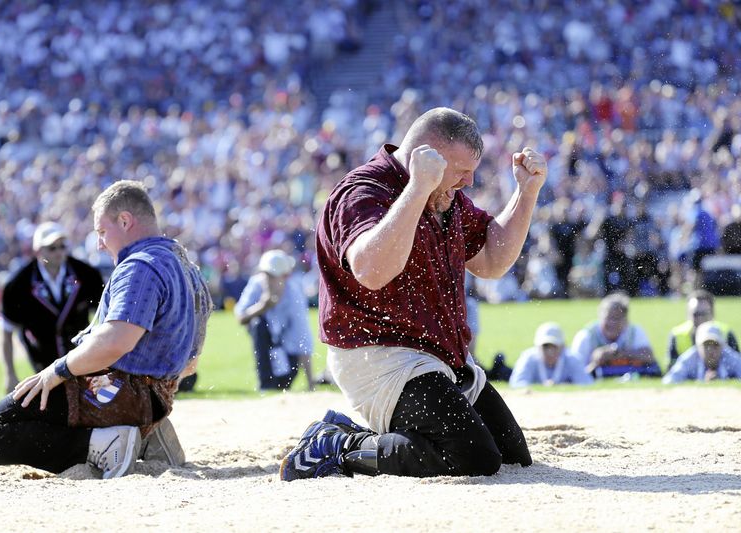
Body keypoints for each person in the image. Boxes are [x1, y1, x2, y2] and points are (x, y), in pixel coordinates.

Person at [280, 107, 537, 481]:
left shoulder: (444, 197)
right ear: (427, 156)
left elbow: (492, 262)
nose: (468, 182)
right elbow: (371, 270)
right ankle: (336, 445)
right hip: (378, 356)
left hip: (436, 355)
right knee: (473, 457)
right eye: (461, 171)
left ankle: (360, 438)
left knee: (513, 455)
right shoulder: (363, 191)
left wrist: (526, 192)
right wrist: (417, 188)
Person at [0, 180, 212, 479]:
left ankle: (110, 442)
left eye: (102, 232)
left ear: (125, 220)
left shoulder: (141, 266)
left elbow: (115, 342)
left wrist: (56, 371)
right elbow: (192, 360)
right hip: (160, 396)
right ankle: (147, 435)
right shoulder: (186, 264)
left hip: (123, 392)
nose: (99, 244)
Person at [0, 222, 105, 393]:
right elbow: (6, 330)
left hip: (81, 357)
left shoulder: (87, 274)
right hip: (41, 359)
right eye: (52, 248)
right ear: (38, 250)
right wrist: (9, 373)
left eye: (62, 246)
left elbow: (105, 315)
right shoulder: (18, 284)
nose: (58, 252)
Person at [234, 249, 315, 391]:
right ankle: (264, 383)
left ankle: (276, 382)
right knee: (258, 324)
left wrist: (310, 384)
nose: (267, 281)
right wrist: (262, 306)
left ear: (285, 276)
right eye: (265, 275)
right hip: (265, 343)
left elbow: (303, 339)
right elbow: (240, 317)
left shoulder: (294, 294)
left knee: (282, 383)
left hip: (288, 348)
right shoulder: (256, 285)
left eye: (272, 276)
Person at [571, 292, 661, 378]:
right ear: (600, 317)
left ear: (626, 320)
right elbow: (574, 373)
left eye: (617, 318)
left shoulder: (635, 331)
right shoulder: (586, 336)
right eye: (608, 318)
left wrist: (621, 353)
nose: (612, 323)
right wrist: (596, 362)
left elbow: (649, 357)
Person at [667, 290, 738, 369]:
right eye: (695, 314)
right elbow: (671, 369)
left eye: (703, 314)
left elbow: (737, 364)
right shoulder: (677, 334)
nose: (700, 318)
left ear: (712, 314)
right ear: (688, 315)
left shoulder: (726, 332)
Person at [509, 322, 594, 387]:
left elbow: (586, 384)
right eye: (545, 346)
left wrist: (563, 386)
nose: (550, 352)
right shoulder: (528, 358)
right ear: (537, 347)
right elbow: (517, 384)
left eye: (554, 347)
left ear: (562, 347)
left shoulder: (572, 359)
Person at [663, 321, 741, 383]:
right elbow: (669, 381)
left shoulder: (731, 357)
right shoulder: (689, 359)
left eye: (715, 345)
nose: (711, 350)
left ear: (722, 346)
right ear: (698, 347)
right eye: (706, 345)